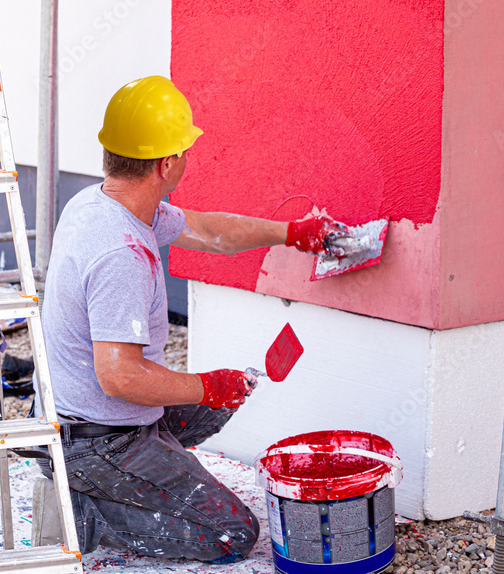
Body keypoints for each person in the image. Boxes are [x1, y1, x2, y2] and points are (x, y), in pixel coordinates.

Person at [31, 76, 355, 562]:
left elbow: (209, 231)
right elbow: (119, 376)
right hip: (94, 439)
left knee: (225, 400)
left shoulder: (100, 203)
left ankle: (129, 471)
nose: (187, 159)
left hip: (77, 416)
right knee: (231, 534)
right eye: (184, 151)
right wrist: (207, 384)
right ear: (166, 165)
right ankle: (87, 513)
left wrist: (295, 233)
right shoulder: (121, 253)